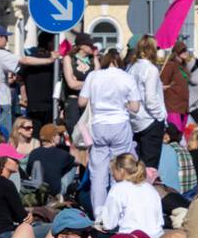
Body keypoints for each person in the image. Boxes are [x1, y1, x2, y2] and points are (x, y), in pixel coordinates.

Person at [79, 48, 141, 203]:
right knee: (120, 168)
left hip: (99, 126)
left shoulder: (93, 76)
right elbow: (135, 107)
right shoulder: (127, 77)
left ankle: (99, 213)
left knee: (98, 172)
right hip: (120, 125)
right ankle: (117, 209)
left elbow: (81, 102)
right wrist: (123, 104)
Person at [0, 148, 50, 238]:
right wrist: (29, 216)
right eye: (15, 159)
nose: (18, 162)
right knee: (54, 228)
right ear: (4, 161)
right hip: (3, 236)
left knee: (38, 225)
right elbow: (21, 217)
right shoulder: (6, 183)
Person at [97, 152, 165, 238]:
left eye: (112, 171)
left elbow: (107, 223)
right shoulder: (150, 188)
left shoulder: (119, 188)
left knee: (96, 235)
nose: (112, 175)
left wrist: (97, 222)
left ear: (121, 171)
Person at [127, 36, 167, 167]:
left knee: (138, 163)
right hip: (150, 120)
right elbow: (150, 98)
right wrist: (160, 116)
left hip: (136, 120)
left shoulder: (132, 68)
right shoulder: (151, 69)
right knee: (150, 166)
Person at [20, 31, 57, 132]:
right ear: (49, 43)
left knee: (34, 133)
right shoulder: (53, 61)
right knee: (48, 134)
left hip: (33, 103)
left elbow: (20, 78)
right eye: (54, 41)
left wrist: (24, 96)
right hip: (49, 103)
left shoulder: (31, 58)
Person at [26, 123, 75, 197]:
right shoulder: (62, 154)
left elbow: (28, 172)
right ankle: (62, 195)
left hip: (37, 191)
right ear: (53, 137)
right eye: (58, 135)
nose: (60, 137)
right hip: (55, 192)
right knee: (73, 165)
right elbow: (77, 161)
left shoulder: (33, 152)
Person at [61, 34, 96, 133]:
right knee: (75, 135)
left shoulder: (93, 60)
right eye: (89, 45)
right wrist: (90, 83)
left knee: (90, 136)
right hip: (73, 103)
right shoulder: (69, 59)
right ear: (81, 46)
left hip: (89, 103)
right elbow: (71, 84)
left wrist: (79, 83)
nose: (92, 47)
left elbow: (98, 82)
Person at [160, 40, 192, 131]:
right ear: (176, 52)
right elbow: (163, 84)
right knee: (175, 133)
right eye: (182, 50)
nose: (186, 52)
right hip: (173, 106)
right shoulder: (170, 65)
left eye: (186, 50)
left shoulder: (183, 66)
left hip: (183, 106)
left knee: (181, 133)